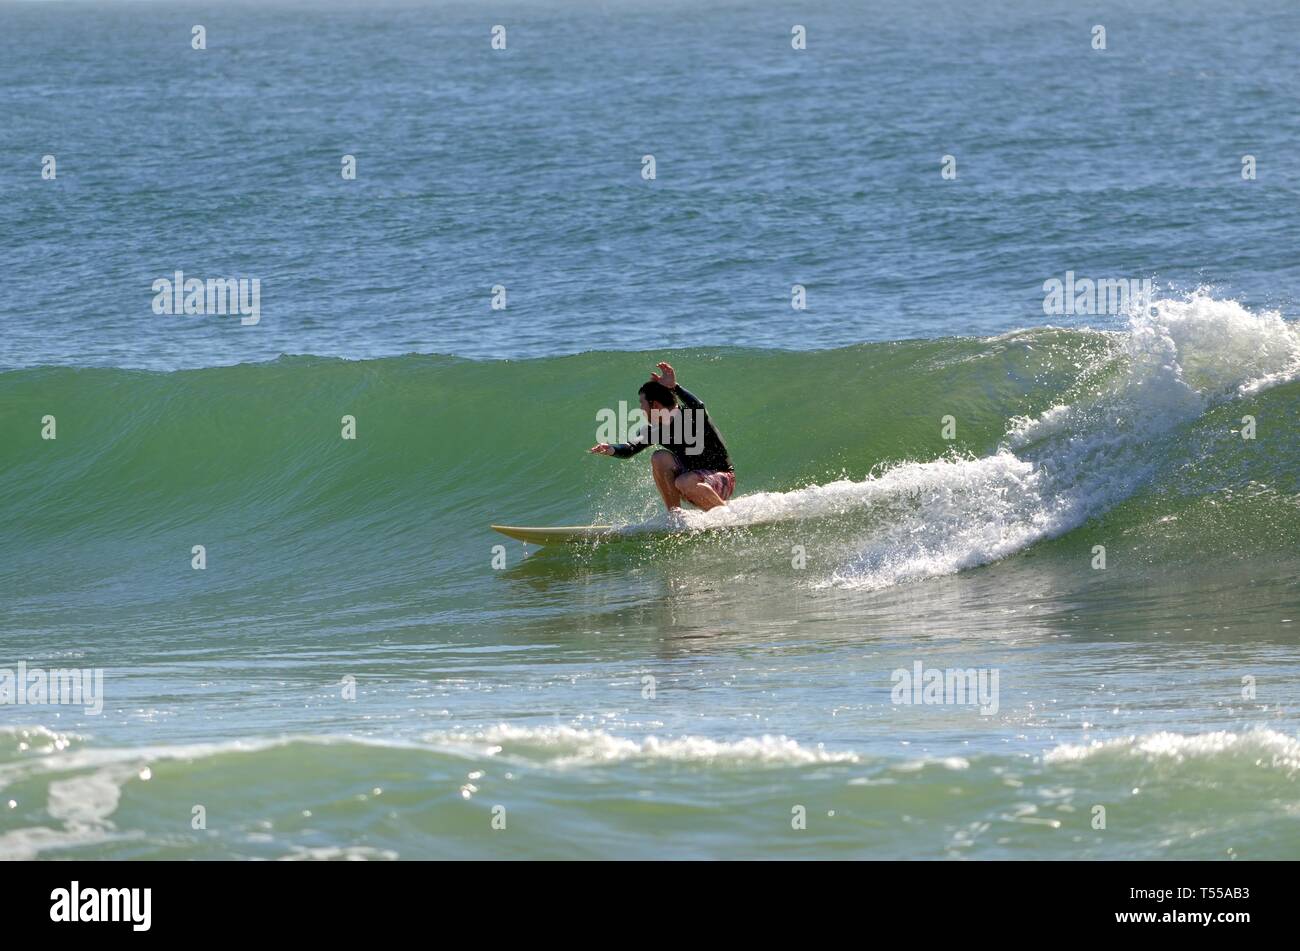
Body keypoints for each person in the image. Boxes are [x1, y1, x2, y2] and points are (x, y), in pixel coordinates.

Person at [590, 362, 735, 511]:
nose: (640, 409)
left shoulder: (691, 415)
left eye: (642, 403)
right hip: (689, 481)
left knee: (683, 482)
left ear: (656, 405)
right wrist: (611, 449)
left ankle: (725, 515)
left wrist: (674, 387)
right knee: (659, 458)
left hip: (721, 478)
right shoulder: (653, 430)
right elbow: (630, 447)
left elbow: (697, 405)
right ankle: (675, 515)